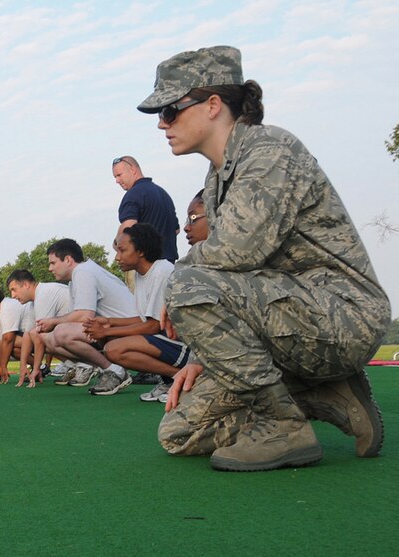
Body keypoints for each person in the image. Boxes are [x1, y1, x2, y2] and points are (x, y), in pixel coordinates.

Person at [139, 45, 389, 471]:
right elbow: (236, 278)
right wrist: (206, 355)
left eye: (170, 109)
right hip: (287, 318)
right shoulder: (218, 177)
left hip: (344, 317)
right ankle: (327, 393)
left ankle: (283, 425)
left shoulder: (270, 149)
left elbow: (237, 252)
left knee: (185, 282)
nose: (162, 123)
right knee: (180, 433)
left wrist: (181, 278)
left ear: (213, 104)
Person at [84, 224, 190, 403]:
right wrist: (108, 322)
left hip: (186, 346)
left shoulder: (162, 271)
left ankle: (181, 377)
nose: (117, 257)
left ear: (140, 251)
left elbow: (154, 325)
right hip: (167, 340)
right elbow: (144, 319)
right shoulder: (142, 275)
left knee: (114, 348)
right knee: (108, 341)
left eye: (122, 250)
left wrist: (107, 331)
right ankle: (170, 380)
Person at [36, 239, 138, 394]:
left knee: (61, 332)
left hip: (130, 328)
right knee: (47, 338)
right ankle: (94, 367)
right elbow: (79, 315)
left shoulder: (83, 272)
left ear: (68, 260)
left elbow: (84, 316)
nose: (50, 268)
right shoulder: (78, 277)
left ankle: (114, 371)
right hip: (114, 328)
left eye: (53, 263)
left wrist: (54, 322)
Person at [4, 270, 77, 386]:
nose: (13, 296)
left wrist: (36, 368)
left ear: (26, 285)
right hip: (73, 333)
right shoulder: (34, 300)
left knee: (39, 334)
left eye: (14, 290)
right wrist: (22, 366)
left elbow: (38, 336)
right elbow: (27, 335)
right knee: (33, 334)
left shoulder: (44, 294)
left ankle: (85, 366)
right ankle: (75, 366)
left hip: (87, 333)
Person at [111, 156, 181, 263]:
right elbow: (176, 230)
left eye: (119, 175)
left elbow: (128, 226)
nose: (117, 180)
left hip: (147, 264)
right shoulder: (163, 194)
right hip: (169, 264)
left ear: (133, 169)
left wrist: (116, 244)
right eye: (115, 177)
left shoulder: (133, 194)